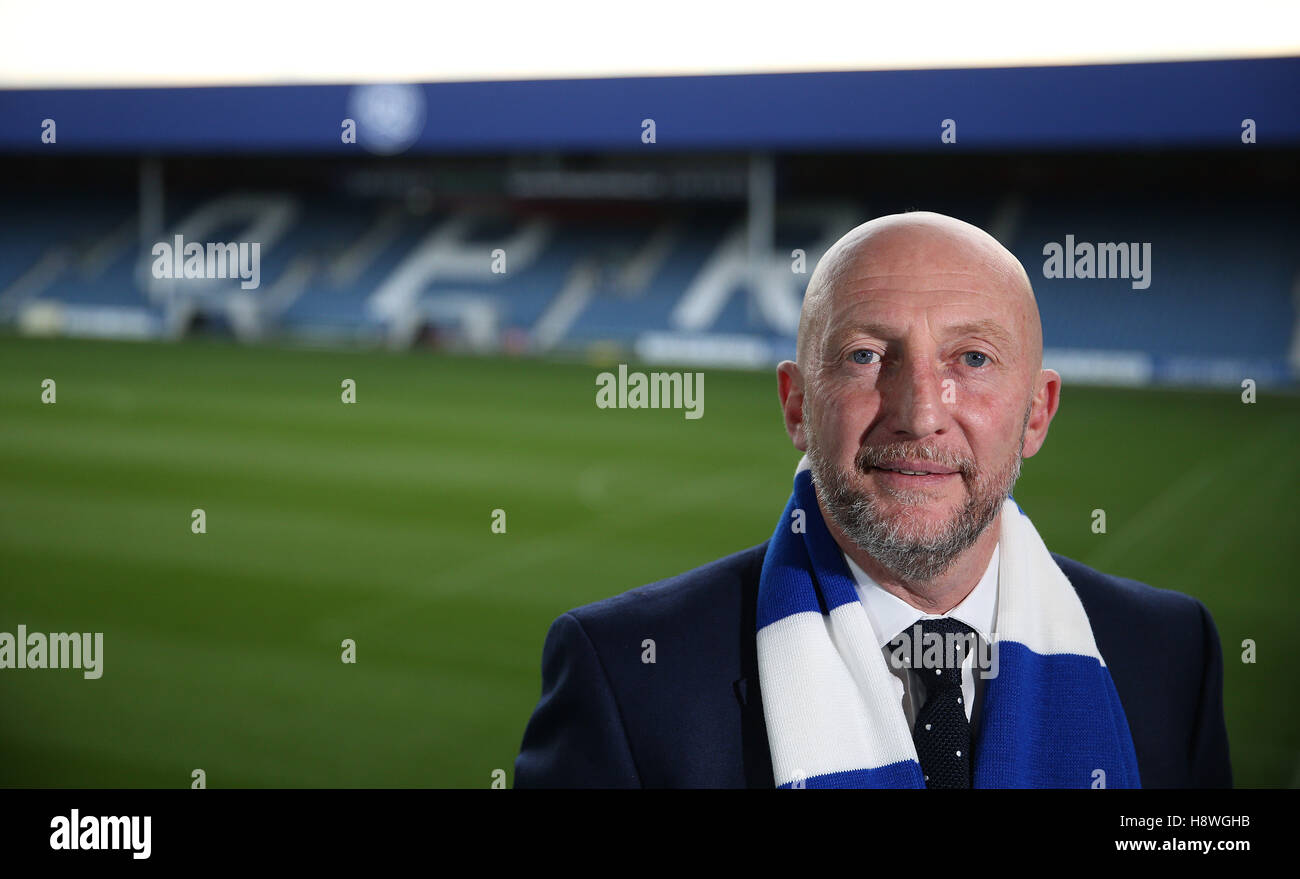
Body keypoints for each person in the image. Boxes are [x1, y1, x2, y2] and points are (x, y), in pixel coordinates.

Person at [513, 211, 1232, 788]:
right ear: (796, 404)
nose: (921, 412)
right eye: (866, 355)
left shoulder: (1170, 655)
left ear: (1037, 414)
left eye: (972, 359)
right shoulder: (627, 679)